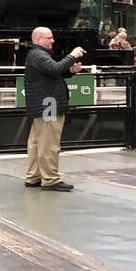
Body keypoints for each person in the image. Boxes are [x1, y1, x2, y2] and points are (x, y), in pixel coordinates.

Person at [23, 27, 84, 192]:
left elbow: (51, 72)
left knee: (36, 142)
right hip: (49, 103)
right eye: (49, 38)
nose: (53, 40)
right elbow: (55, 69)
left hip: (42, 103)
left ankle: (34, 176)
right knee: (49, 143)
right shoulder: (39, 55)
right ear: (39, 39)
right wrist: (72, 56)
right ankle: (50, 179)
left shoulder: (35, 55)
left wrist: (70, 71)